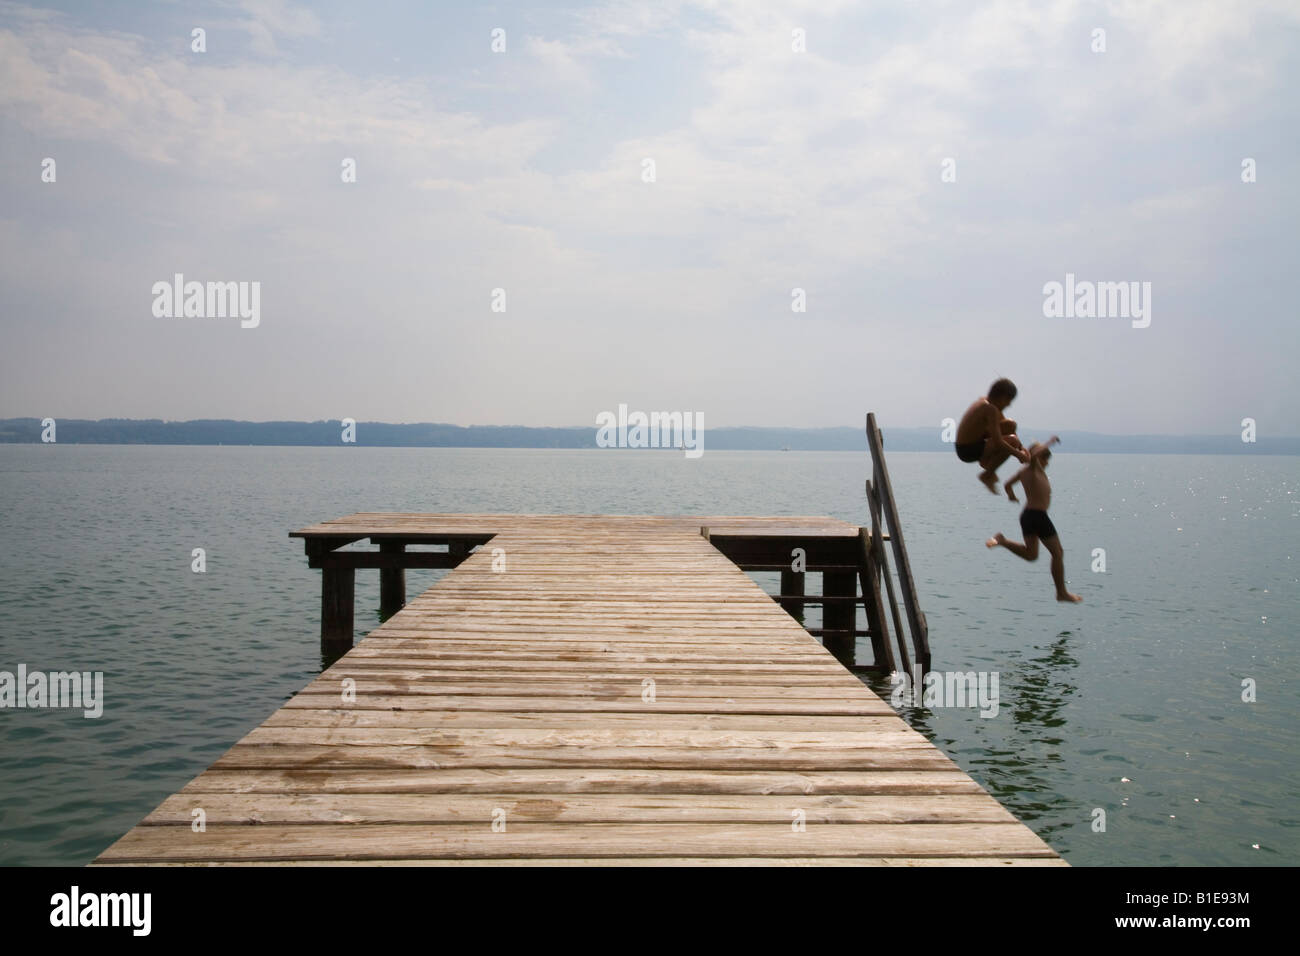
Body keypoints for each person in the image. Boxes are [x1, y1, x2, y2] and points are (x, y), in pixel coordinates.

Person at [985, 437, 1082, 602]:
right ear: (1039, 457)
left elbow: (1007, 484)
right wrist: (1050, 442)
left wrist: (1012, 496)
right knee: (1058, 553)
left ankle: (1003, 541)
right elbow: (1034, 454)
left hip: (1028, 516)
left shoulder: (1025, 471)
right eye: (1046, 457)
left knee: (1031, 555)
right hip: (1038, 516)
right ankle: (1061, 593)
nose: (1047, 462)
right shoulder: (1033, 467)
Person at [955, 378, 1029, 494]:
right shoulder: (990, 409)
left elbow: (1007, 428)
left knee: (1010, 425)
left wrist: (1022, 448)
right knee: (1012, 441)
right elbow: (999, 442)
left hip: (972, 444)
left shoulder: (984, 402)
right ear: (1002, 398)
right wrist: (1019, 455)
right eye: (1008, 401)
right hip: (968, 450)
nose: (1009, 405)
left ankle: (987, 461)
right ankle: (986, 474)